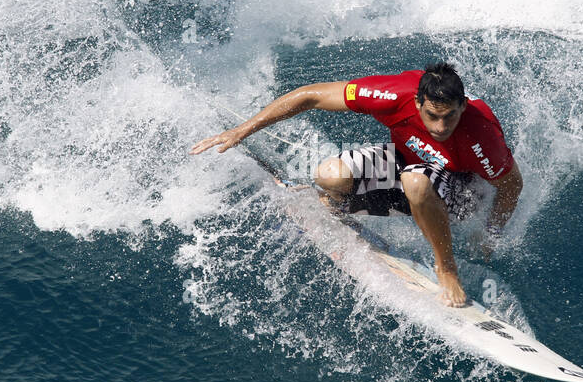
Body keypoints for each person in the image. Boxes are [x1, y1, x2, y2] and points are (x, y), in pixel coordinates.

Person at [189, 62, 522, 307]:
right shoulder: (394, 96)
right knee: (330, 175)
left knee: (415, 181)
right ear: (417, 103)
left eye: (449, 116)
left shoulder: (481, 137)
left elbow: (511, 186)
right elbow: (310, 96)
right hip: (410, 166)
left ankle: (446, 270)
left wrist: (490, 235)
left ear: (462, 106)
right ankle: (337, 204)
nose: (440, 126)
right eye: (432, 116)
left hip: (460, 191)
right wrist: (240, 131)